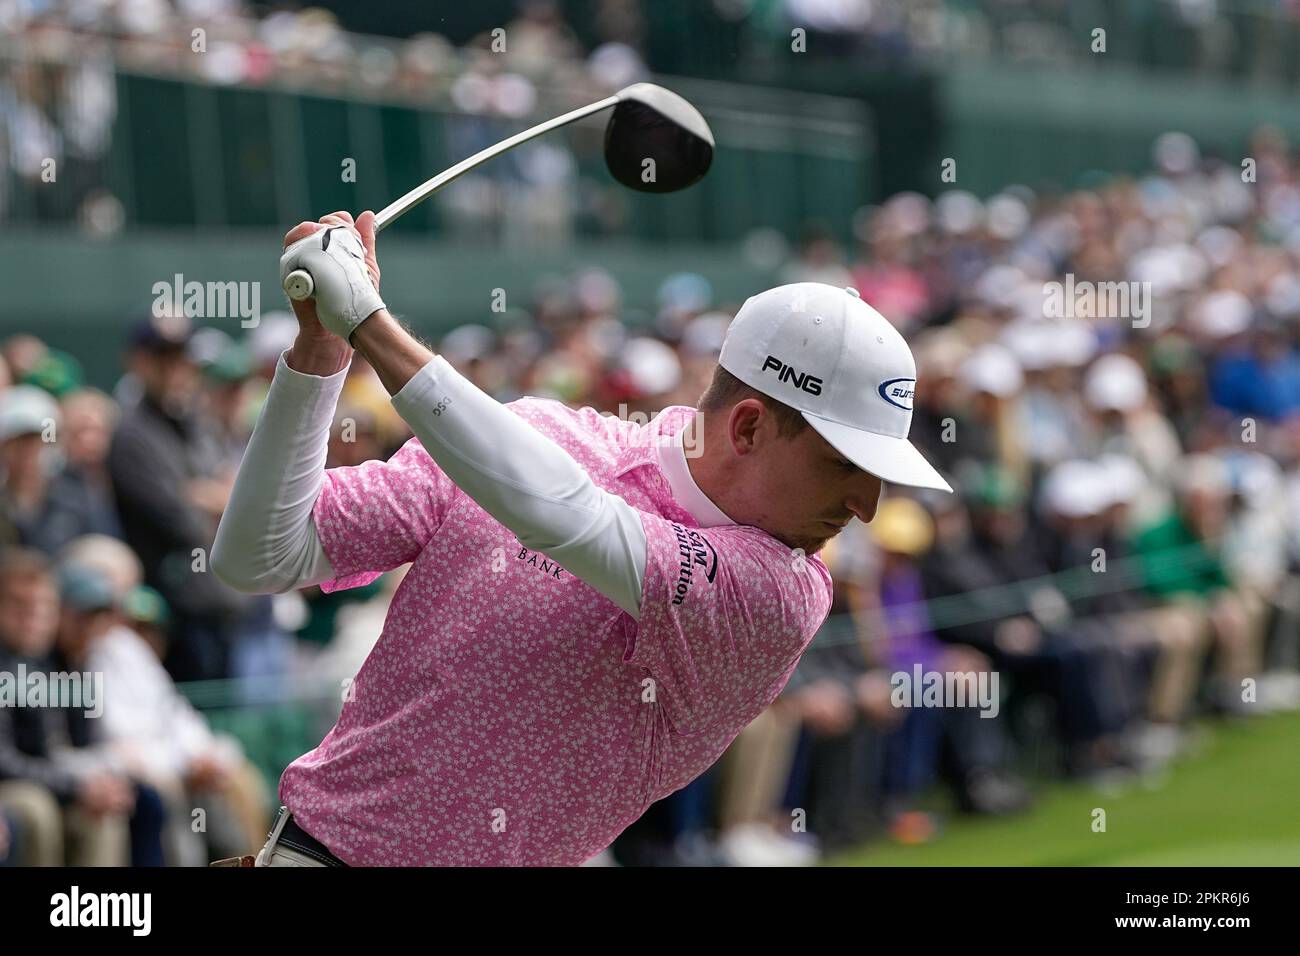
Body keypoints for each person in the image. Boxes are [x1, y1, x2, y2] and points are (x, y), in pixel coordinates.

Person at [211, 210, 951, 866]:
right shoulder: (536, 432)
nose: (864, 505)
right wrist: (320, 352)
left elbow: (568, 519)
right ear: (752, 425)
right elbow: (261, 554)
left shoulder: (786, 589)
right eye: (843, 467)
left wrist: (369, 324)